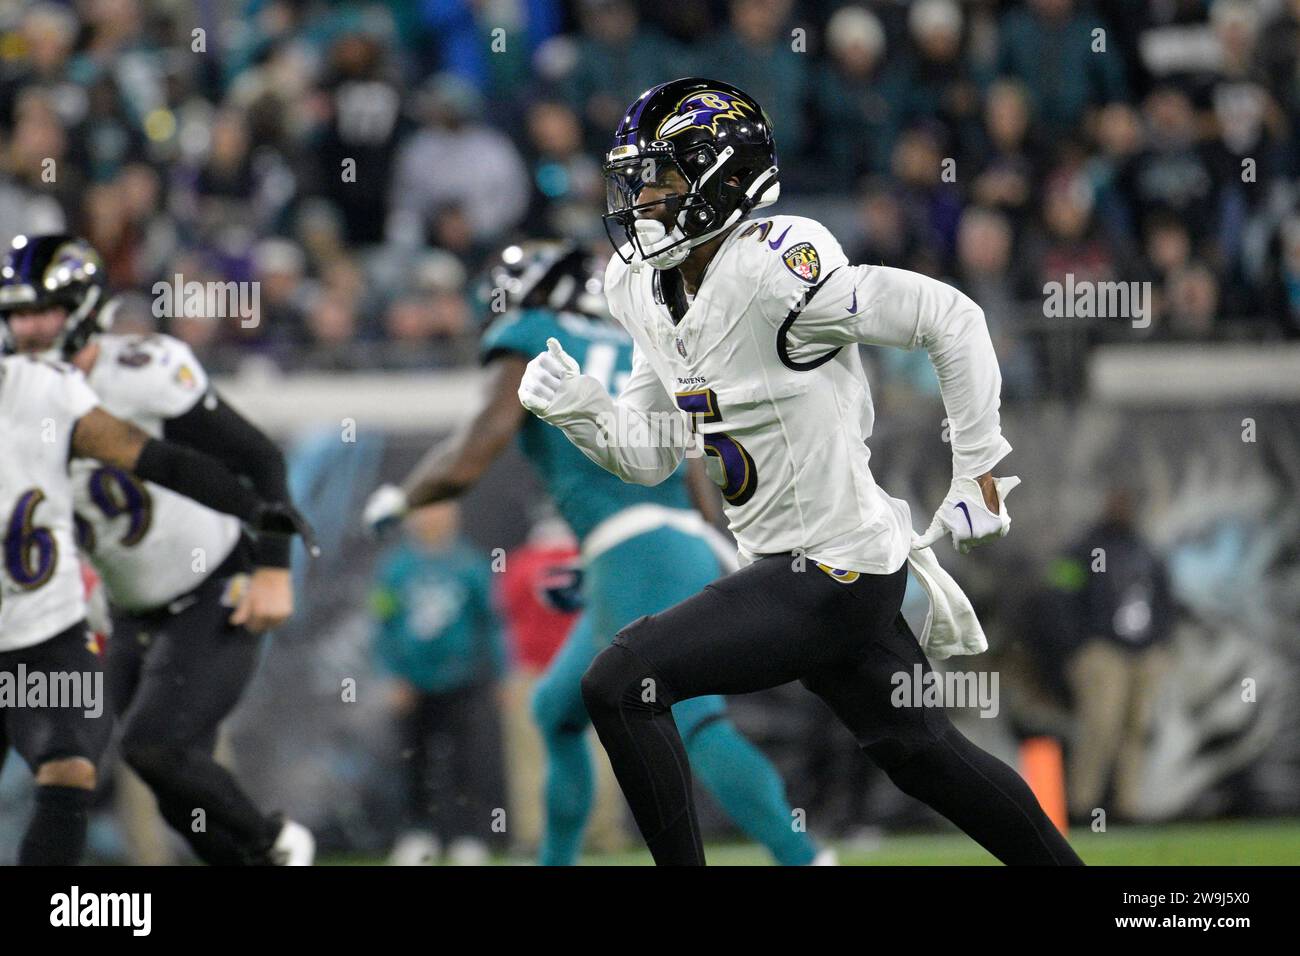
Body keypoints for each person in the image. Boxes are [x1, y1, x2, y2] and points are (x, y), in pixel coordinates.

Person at [517, 77, 1084, 865]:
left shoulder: (773, 269)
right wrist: (579, 405)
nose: (643, 198)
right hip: (798, 569)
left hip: (833, 568)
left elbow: (950, 317)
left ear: (721, 178)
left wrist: (979, 467)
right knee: (925, 755)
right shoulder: (642, 288)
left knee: (622, 682)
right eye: (638, 179)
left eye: (663, 177)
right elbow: (649, 454)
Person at [364, 242, 826, 866]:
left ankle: (805, 859)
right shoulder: (635, 344)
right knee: (556, 708)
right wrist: (638, 561)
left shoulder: (532, 334)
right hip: (669, 543)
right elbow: (690, 466)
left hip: (632, 550)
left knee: (692, 716)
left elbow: (480, 444)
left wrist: (403, 497)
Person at [1, 233, 318, 865]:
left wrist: (273, 568)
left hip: (211, 586)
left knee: (154, 748)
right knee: (163, 771)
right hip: (127, 608)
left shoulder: (142, 372)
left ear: (87, 309)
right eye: (16, 313)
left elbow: (257, 457)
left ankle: (279, 843)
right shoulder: (19, 395)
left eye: (44, 310)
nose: (29, 327)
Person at [371, 502, 508, 866]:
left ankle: (468, 838)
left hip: (462, 678)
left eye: (440, 509)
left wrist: (501, 675)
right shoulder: (395, 568)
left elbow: (492, 623)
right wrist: (392, 674)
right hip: (413, 683)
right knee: (413, 761)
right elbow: (383, 624)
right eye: (425, 510)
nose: (432, 517)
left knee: (467, 760)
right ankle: (417, 834)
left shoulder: (472, 564)